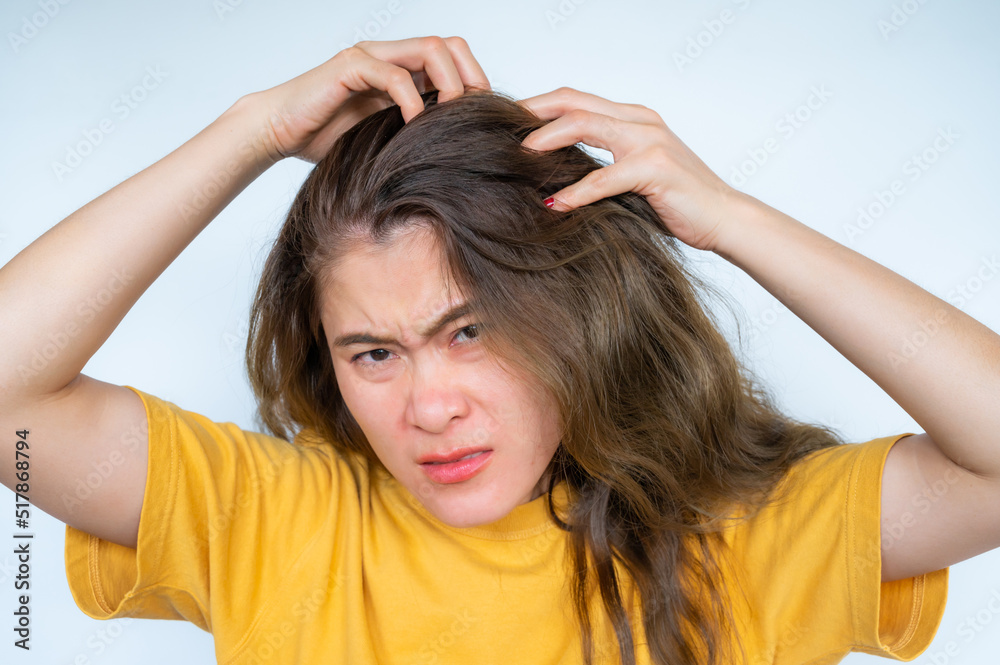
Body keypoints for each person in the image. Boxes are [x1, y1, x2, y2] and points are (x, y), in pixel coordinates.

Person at [1, 35, 997, 664]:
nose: (429, 407)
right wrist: (251, 130)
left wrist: (730, 218)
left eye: (469, 330)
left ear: (580, 313)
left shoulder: (753, 541)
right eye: (372, 353)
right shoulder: (268, 517)